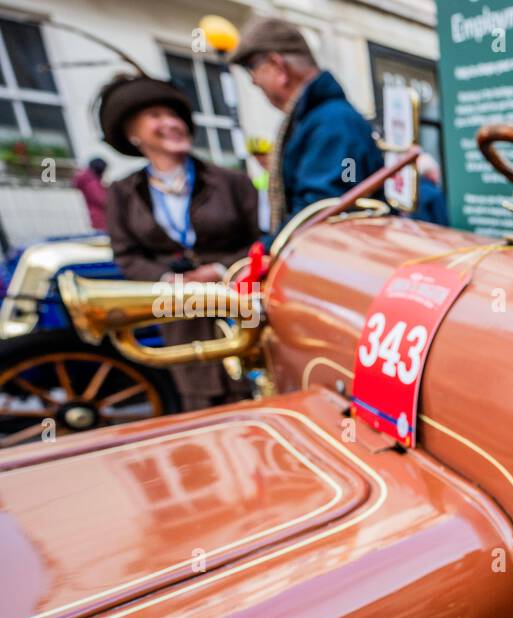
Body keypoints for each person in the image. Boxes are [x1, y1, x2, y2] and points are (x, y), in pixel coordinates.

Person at [97, 74, 260, 410]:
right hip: (180, 318)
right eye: (156, 116)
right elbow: (127, 256)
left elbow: (264, 242)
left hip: (240, 309)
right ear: (133, 134)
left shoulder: (232, 182)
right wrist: (172, 281)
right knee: (198, 403)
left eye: (175, 116)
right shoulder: (123, 193)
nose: (171, 124)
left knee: (250, 396)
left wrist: (218, 269)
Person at [231, 17, 384, 233]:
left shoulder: (332, 122)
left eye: (253, 72)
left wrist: (268, 250)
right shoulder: (319, 119)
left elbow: (318, 212)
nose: (255, 82)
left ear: (278, 66)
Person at [412, 152, 449, 227]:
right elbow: (443, 223)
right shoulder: (435, 194)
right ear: (429, 172)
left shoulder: (411, 191)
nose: (439, 173)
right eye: (436, 170)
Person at [72, 157, 108, 231]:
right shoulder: (91, 182)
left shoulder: (87, 180)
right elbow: (102, 200)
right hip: (99, 219)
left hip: (94, 218)